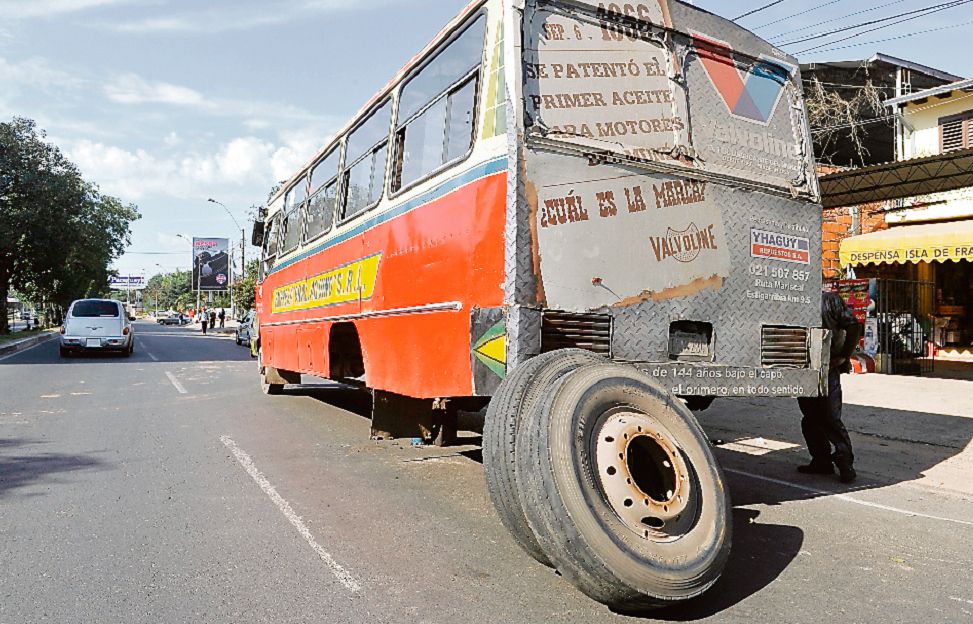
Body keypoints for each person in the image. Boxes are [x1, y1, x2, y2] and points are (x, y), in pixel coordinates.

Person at [797, 291, 863, 483]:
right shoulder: (802, 297)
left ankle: (843, 463)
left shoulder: (827, 300)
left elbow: (853, 325)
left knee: (827, 417)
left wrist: (844, 355)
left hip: (824, 366)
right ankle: (822, 461)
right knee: (813, 418)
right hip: (808, 367)